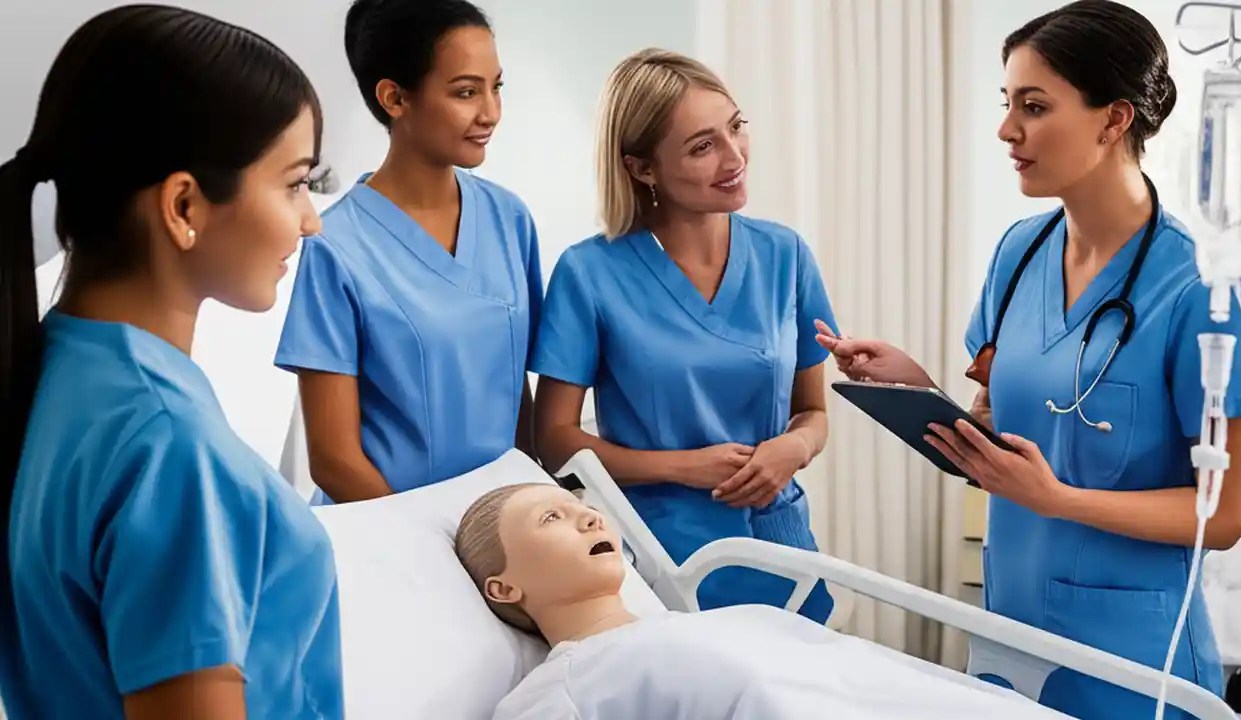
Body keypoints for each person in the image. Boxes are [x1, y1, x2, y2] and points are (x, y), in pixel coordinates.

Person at [817, 2, 1241, 718]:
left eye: (1034, 106)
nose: (1006, 130)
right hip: (1008, 633)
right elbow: (997, 434)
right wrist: (916, 387)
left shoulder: (1197, 291)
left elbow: (1229, 515)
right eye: (1007, 104)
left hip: (1131, 659)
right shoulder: (1018, 254)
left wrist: (1057, 500)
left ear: (1114, 120)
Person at [0, 6, 343, 719]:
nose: (311, 219)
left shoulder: (57, 373)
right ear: (184, 204)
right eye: (294, 183)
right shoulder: (167, 446)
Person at [531, 48, 839, 623]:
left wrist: (791, 450)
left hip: (781, 541)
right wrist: (681, 466)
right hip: (664, 553)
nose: (734, 156)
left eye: (736, 128)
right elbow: (553, 438)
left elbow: (812, 412)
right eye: (702, 146)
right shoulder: (589, 274)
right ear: (641, 167)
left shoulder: (785, 255)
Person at [453, 482, 1071, 719]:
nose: (589, 519)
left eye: (585, 507)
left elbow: (881, 680)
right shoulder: (562, 691)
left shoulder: (743, 619)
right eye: (552, 518)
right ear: (504, 588)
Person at [275, 0, 542, 504]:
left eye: (496, 87)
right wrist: (434, 545)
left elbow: (515, 395)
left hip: (501, 536)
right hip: (386, 531)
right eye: (466, 92)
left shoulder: (510, 219)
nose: (490, 113)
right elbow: (333, 461)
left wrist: (528, 511)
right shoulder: (337, 248)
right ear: (395, 98)